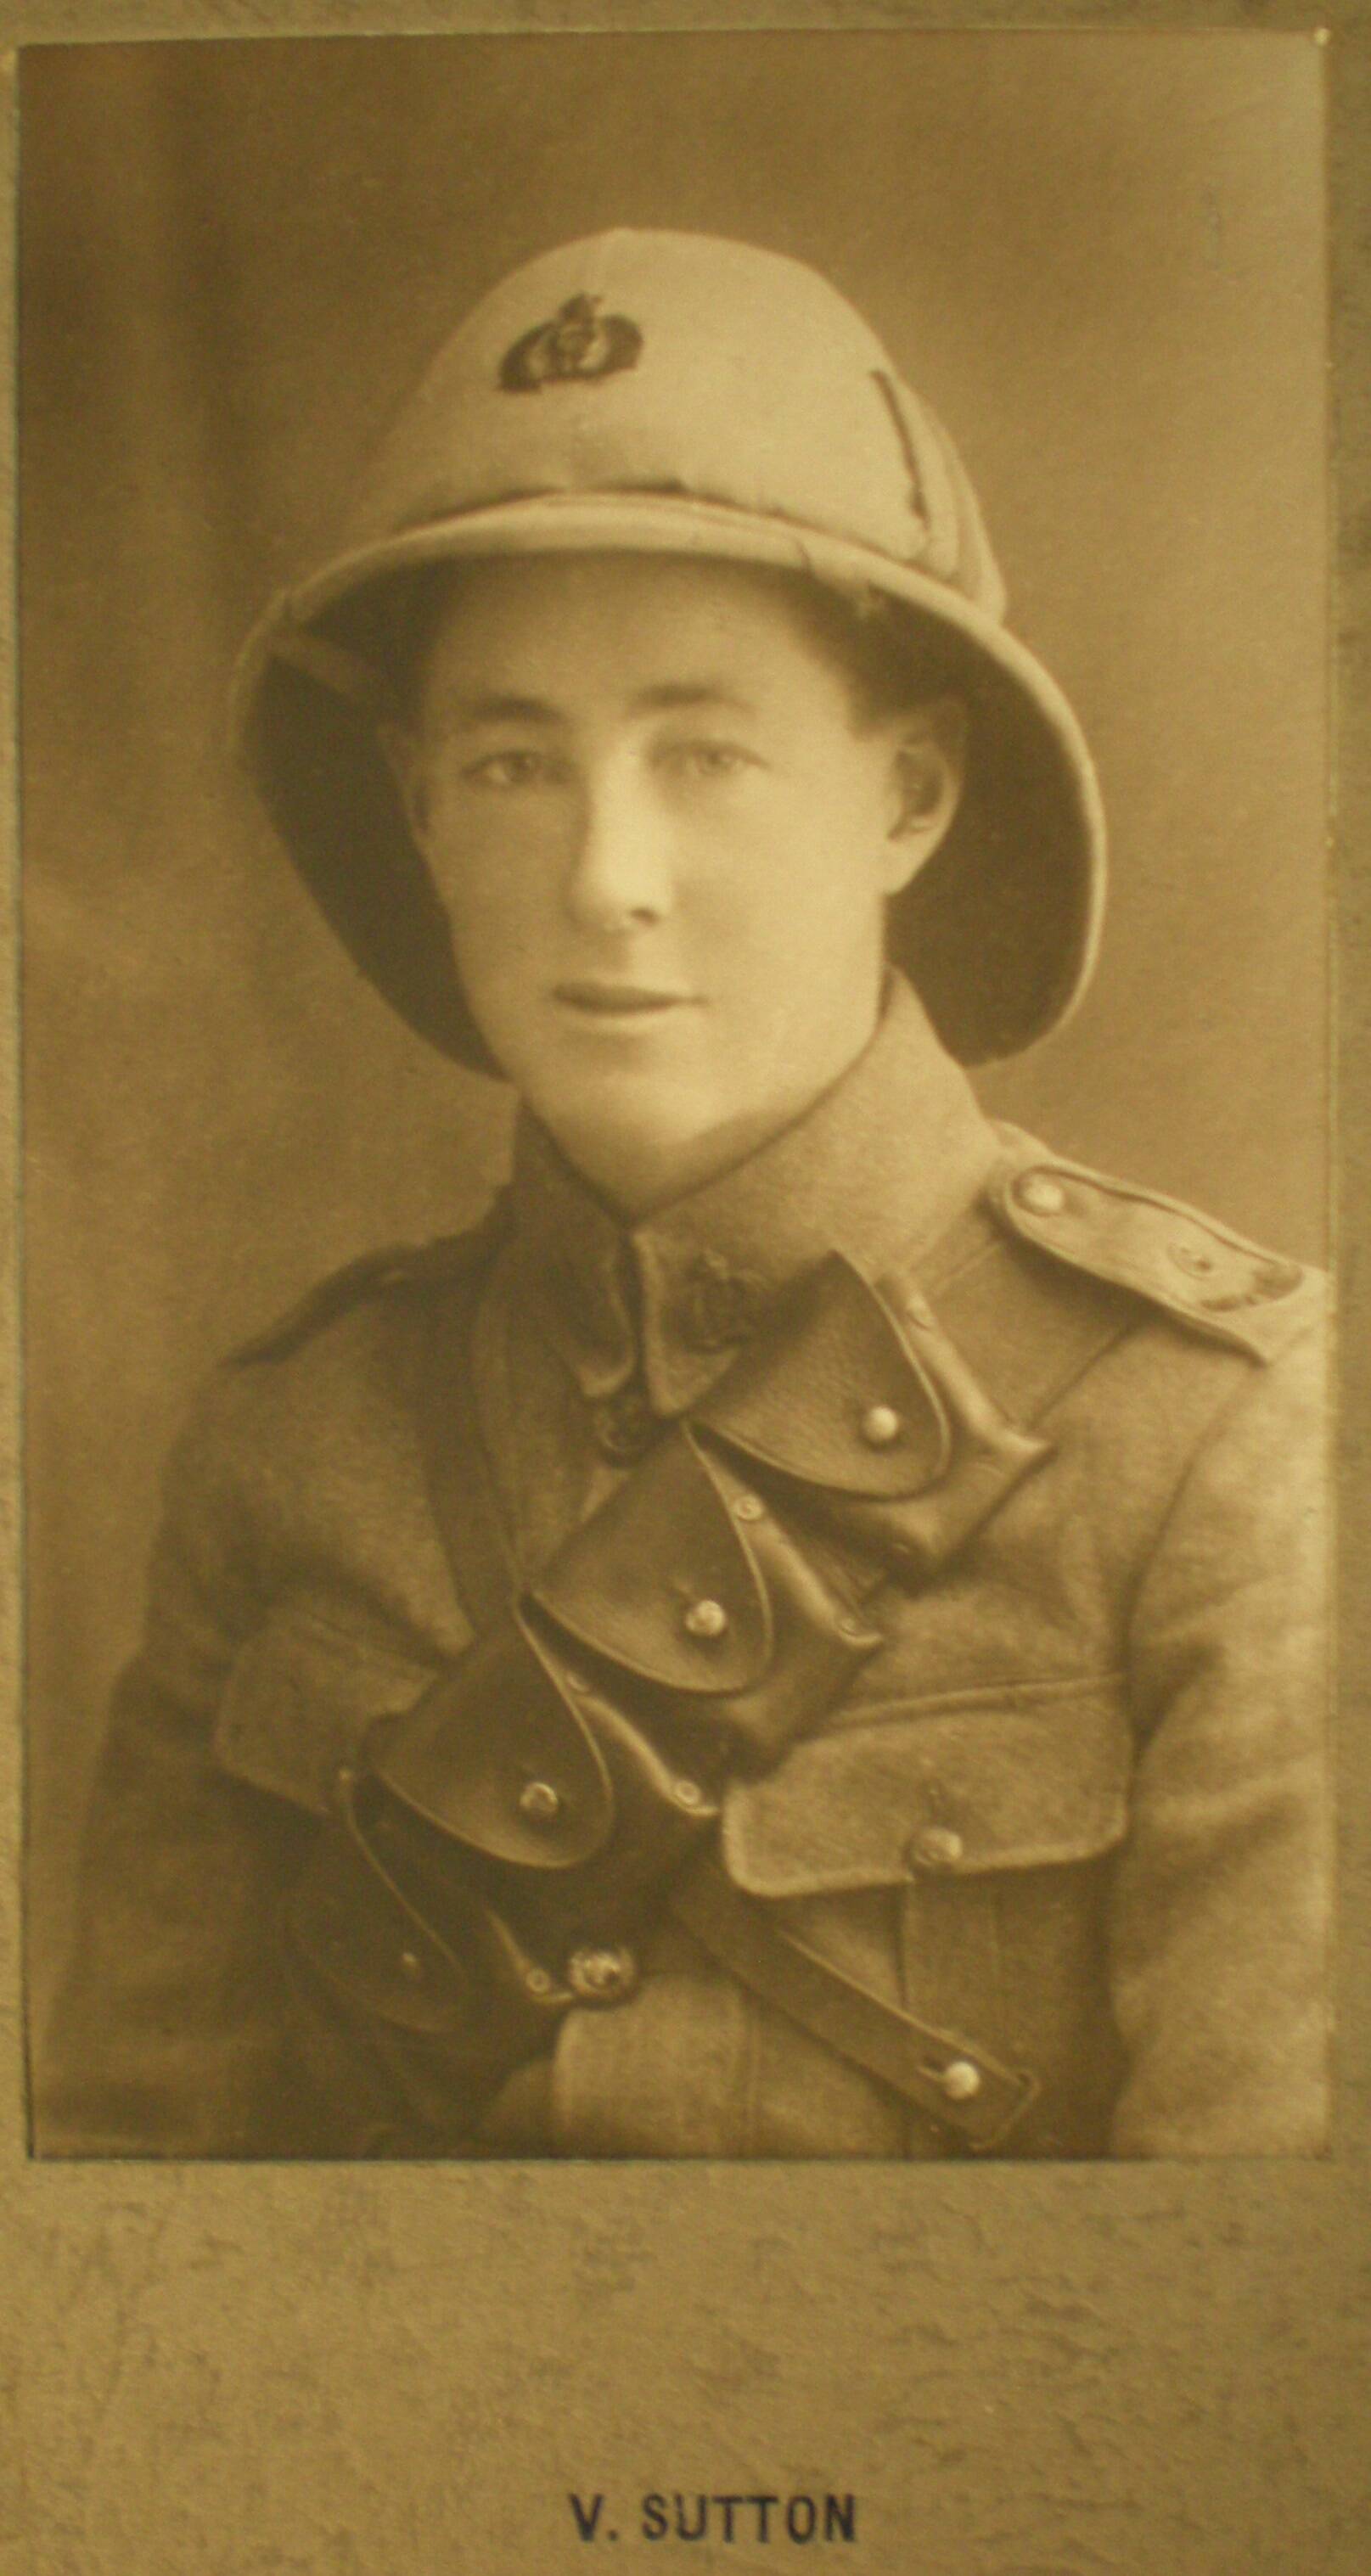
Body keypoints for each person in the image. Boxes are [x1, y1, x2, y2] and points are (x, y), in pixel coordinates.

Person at [38, 230, 1327, 2162]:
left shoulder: (1223, 1443)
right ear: (414, 807)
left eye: (705, 754)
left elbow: (1240, 2341)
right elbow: (144, 2281)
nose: (605, 874)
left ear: (907, 797)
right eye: (511, 762)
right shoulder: (285, 1448)